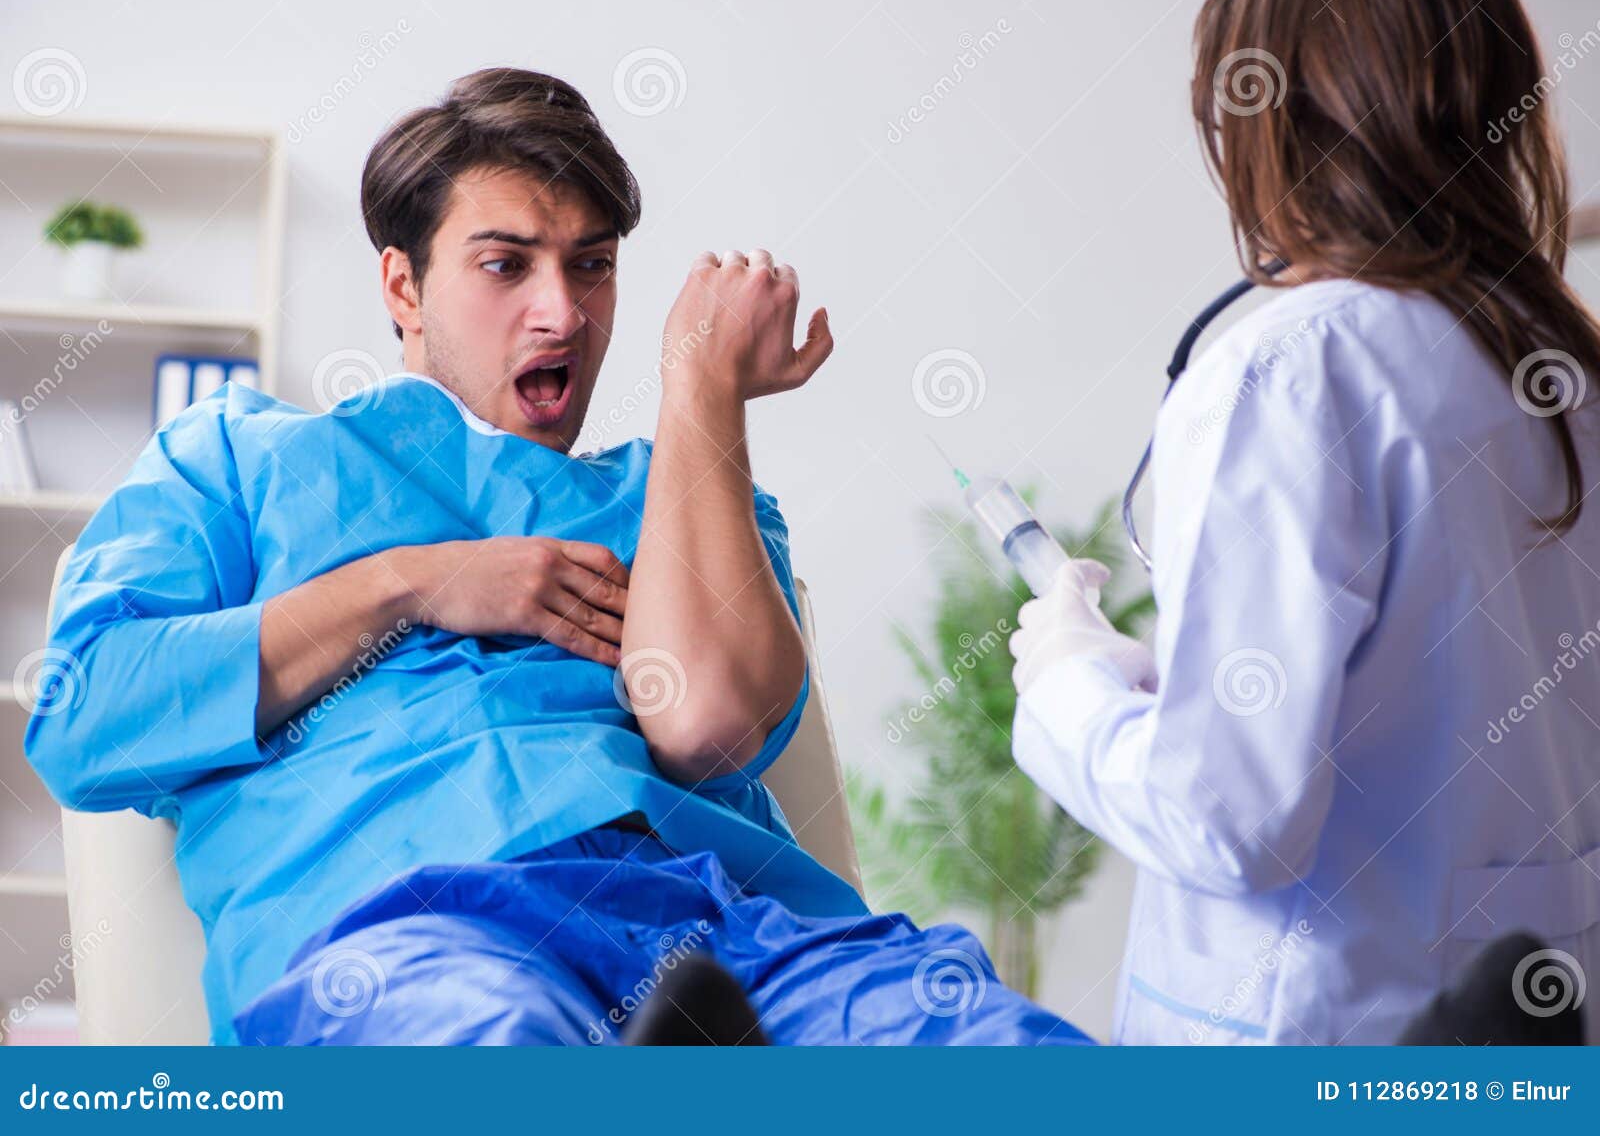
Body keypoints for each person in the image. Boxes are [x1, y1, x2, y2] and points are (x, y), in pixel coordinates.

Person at [25, 68, 1089, 1047]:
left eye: (593, 266)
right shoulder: (235, 459)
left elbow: (707, 725)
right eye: (506, 265)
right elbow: (83, 715)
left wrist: (699, 386)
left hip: (735, 936)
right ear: (402, 286)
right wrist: (417, 584)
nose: (564, 312)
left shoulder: (682, 487)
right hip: (409, 936)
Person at [1008, 0, 1600, 1045]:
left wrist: (1066, 692)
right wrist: (1174, 692)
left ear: (1264, 121)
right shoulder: (1562, 359)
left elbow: (1226, 819)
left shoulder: (1291, 373)